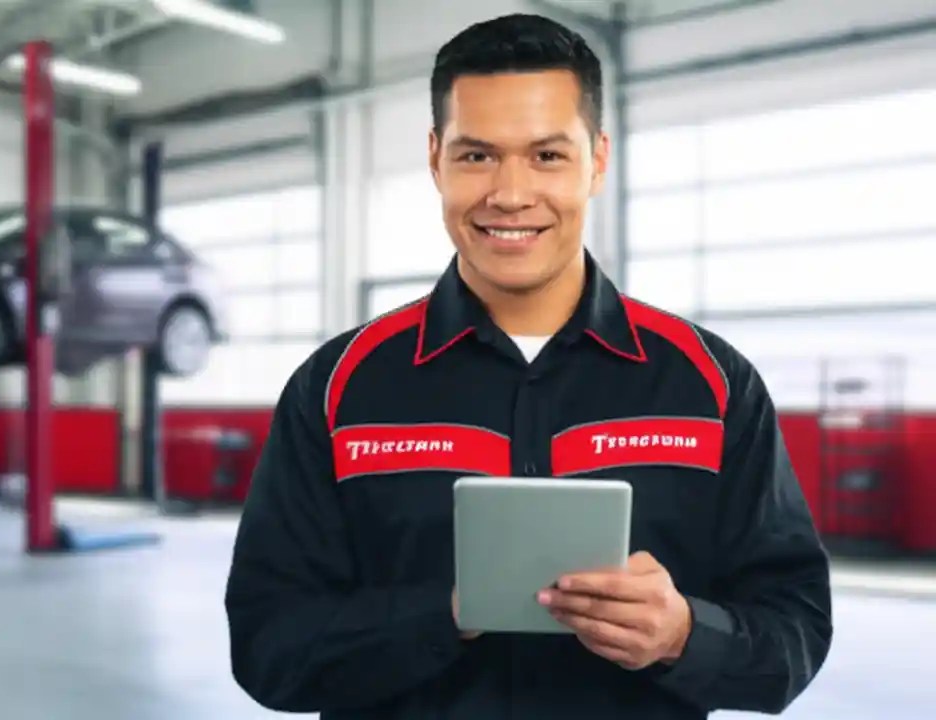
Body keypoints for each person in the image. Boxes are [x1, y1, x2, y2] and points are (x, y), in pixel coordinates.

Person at [224, 12, 832, 719]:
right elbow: (267, 648)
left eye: (547, 155)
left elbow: (794, 638)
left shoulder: (710, 385)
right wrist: (441, 617)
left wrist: (682, 635)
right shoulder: (338, 389)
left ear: (598, 159)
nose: (510, 194)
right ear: (434, 159)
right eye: (477, 155)